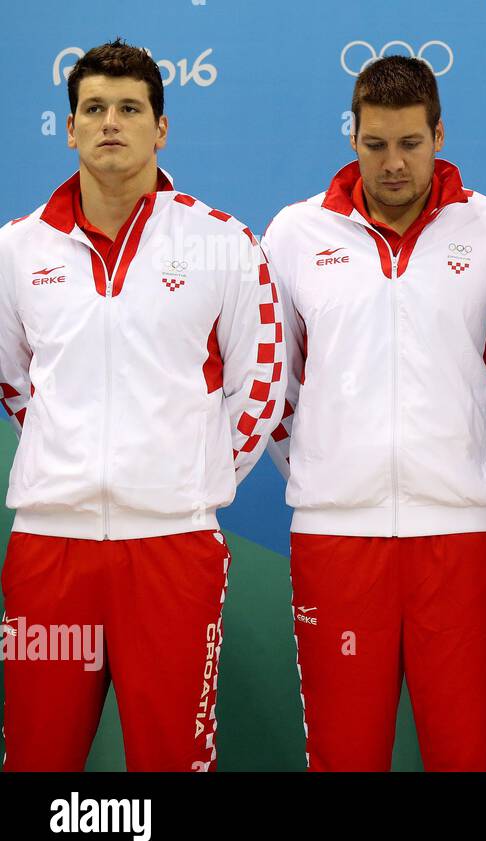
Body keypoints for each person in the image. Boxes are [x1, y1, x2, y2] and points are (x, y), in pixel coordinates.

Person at [0, 40, 284, 771]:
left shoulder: (222, 244)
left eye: (130, 109)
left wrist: (182, 474)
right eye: (93, 109)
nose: (110, 124)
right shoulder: (16, 250)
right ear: (68, 128)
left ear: (162, 128)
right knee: (36, 756)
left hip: (172, 547)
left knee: (173, 757)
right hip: (48, 550)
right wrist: (75, 444)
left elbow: (259, 388)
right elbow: (15, 382)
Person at [260, 56, 486, 771]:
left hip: (466, 538)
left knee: (471, 756)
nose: (393, 163)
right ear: (352, 137)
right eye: (376, 144)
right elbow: (272, 388)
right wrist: (328, 466)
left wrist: (476, 465)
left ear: (439, 134)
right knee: (344, 757)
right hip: (336, 539)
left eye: (410, 143)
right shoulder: (294, 235)